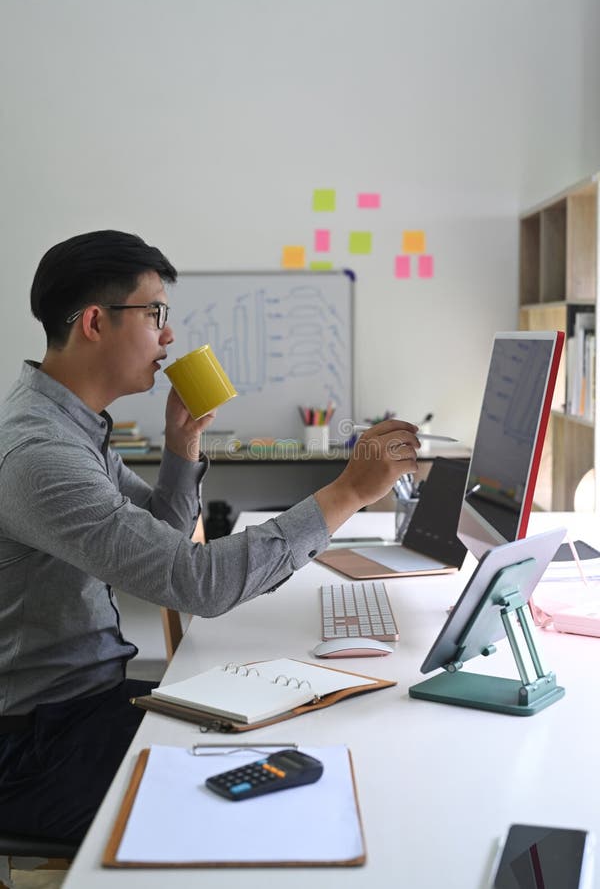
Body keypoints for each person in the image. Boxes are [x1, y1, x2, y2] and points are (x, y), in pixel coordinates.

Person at [0, 230, 420, 844]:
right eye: (154, 313)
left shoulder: (71, 426)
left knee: (298, 744)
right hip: (37, 748)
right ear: (94, 322)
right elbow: (198, 582)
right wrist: (348, 493)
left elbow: (165, 543)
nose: (168, 334)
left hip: (84, 709)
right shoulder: (42, 456)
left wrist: (182, 444)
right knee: (269, 807)